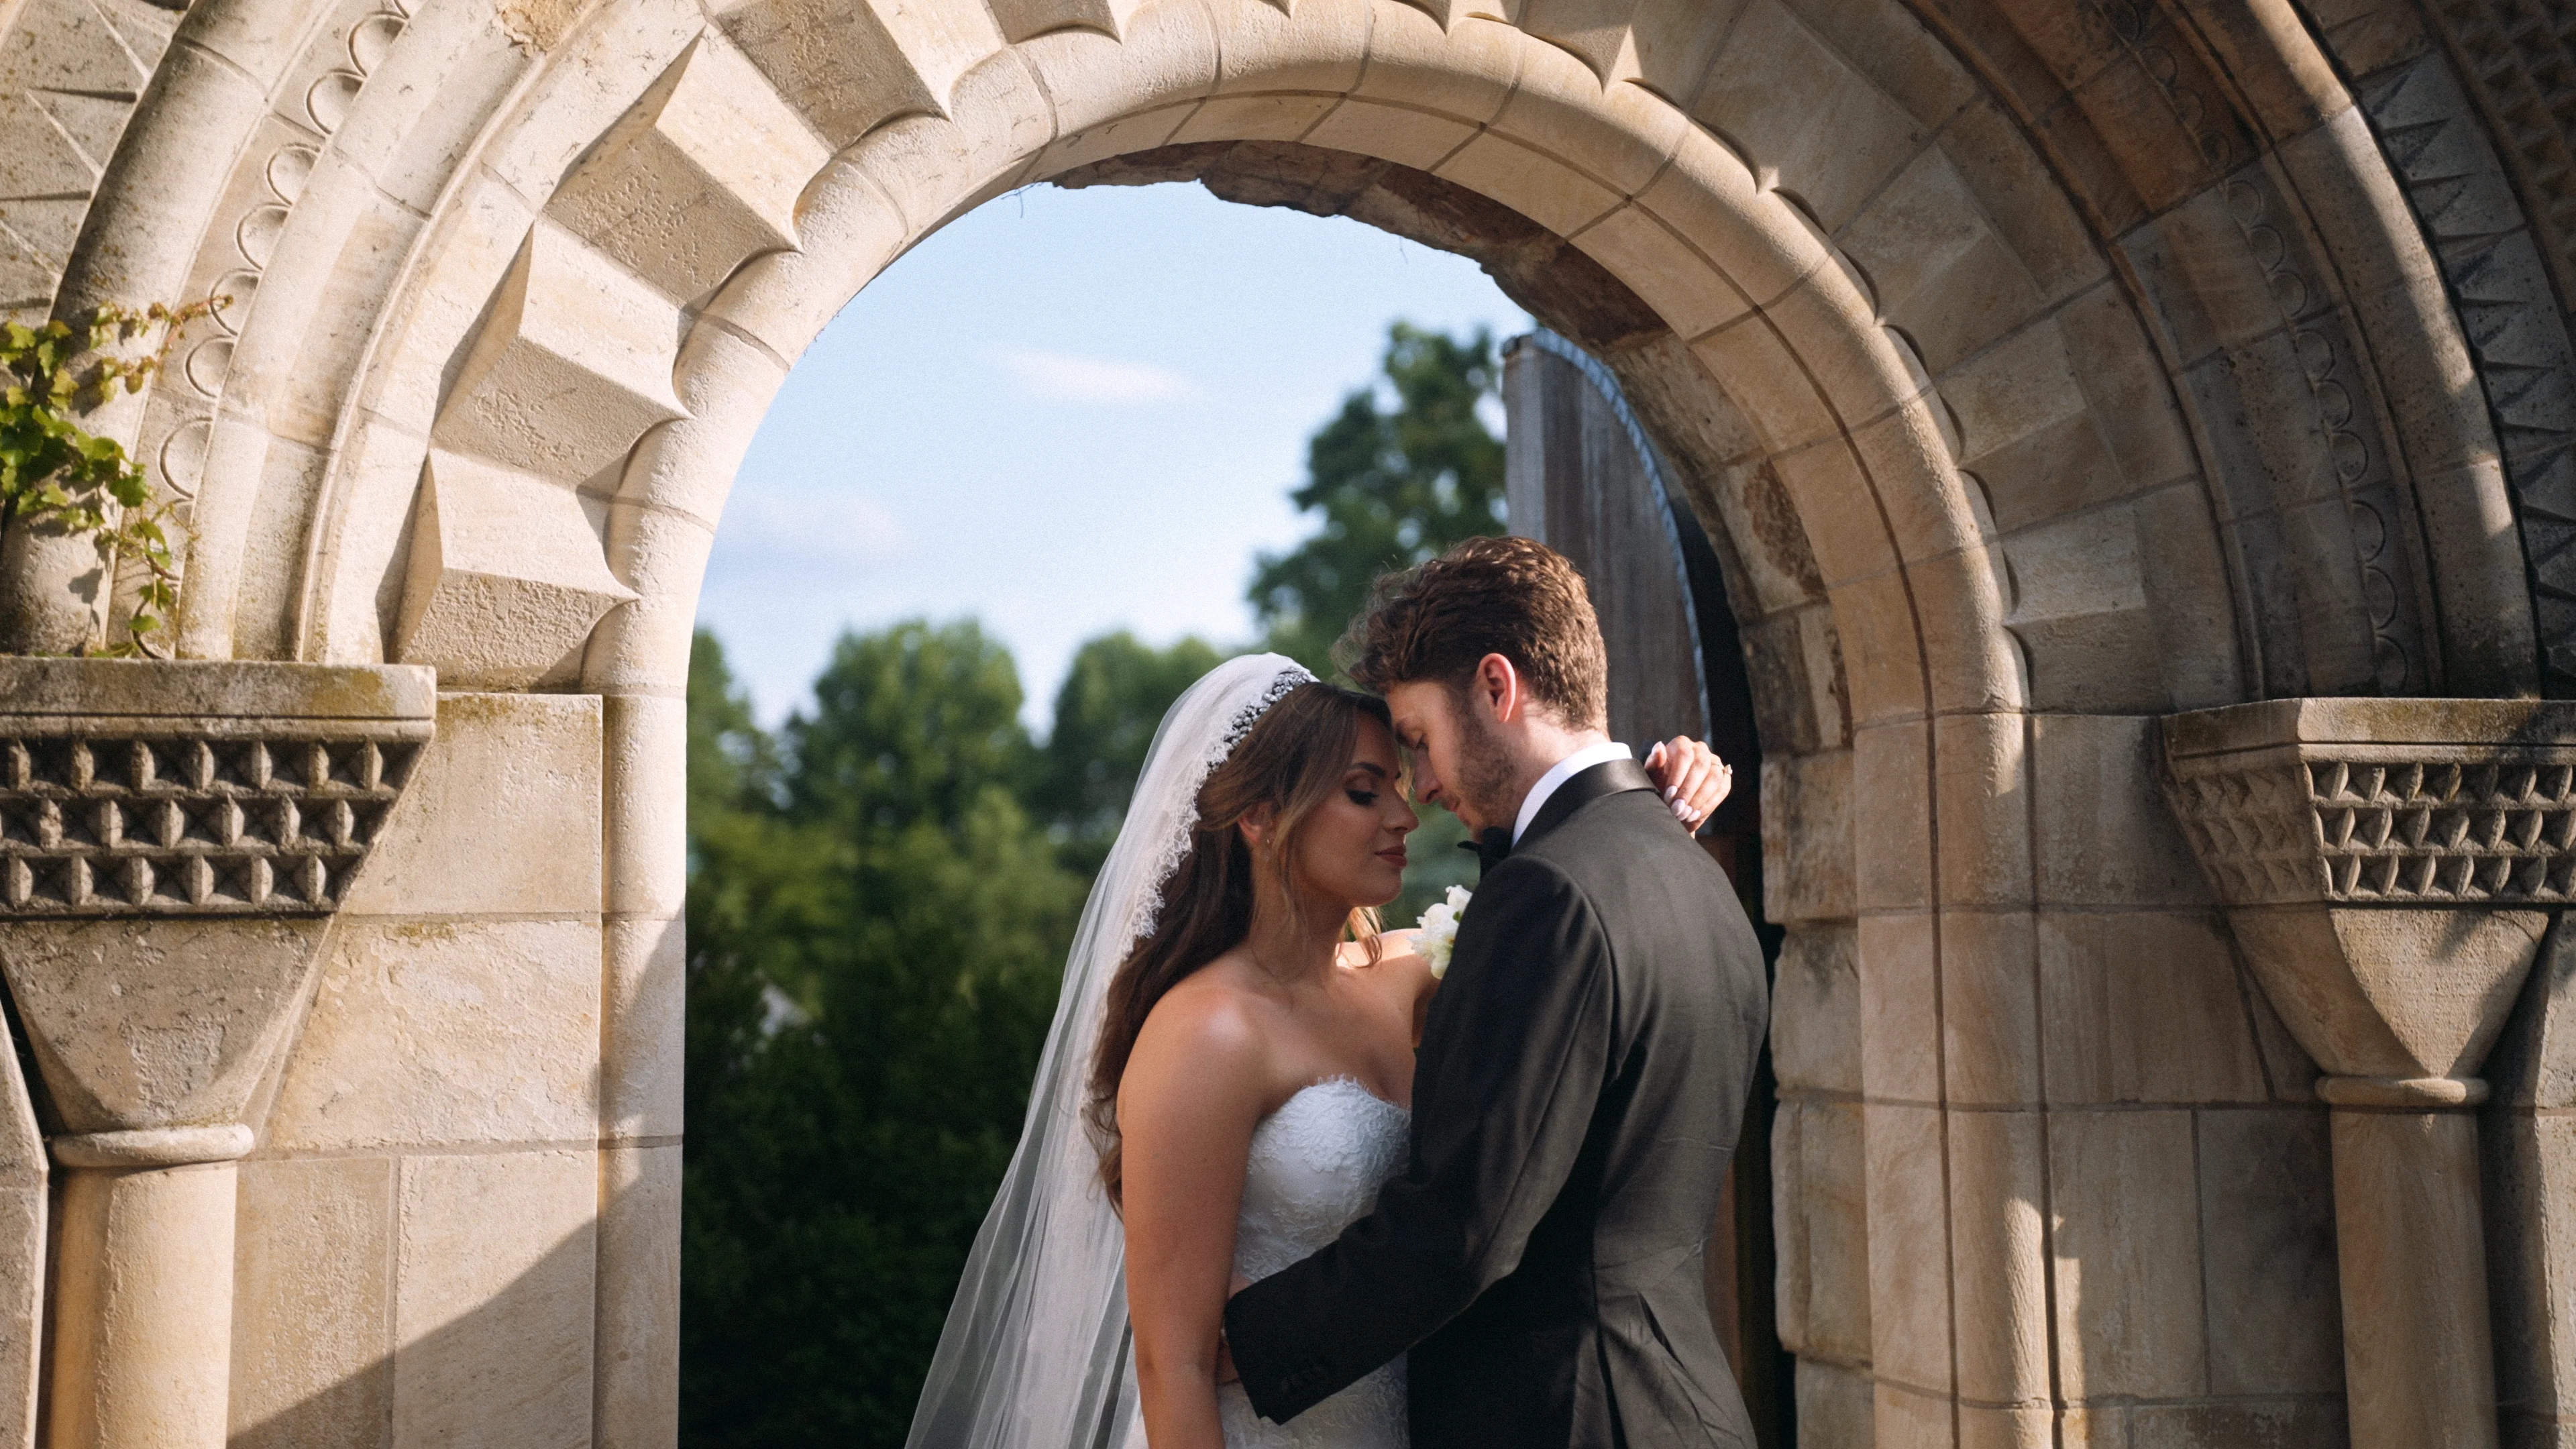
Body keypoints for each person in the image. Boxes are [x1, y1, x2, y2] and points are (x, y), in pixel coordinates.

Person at [909, 635, 1734, 1449]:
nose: (1407, 817)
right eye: (1365, 793)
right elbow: (1174, 1370)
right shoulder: (1207, 1033)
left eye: (1401, 788)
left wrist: (1654, 801)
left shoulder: (1414, 971)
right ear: (1263, 817)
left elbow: (1587, 931)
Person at [1222, 537, 1771, 1448]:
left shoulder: (1547, 893)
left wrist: (1252, 1338)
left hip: (1569, 1417)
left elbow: (1463, 1229)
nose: (1423, 785)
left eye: (1418, 741)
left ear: (1495, 687)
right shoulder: (1692, 871)